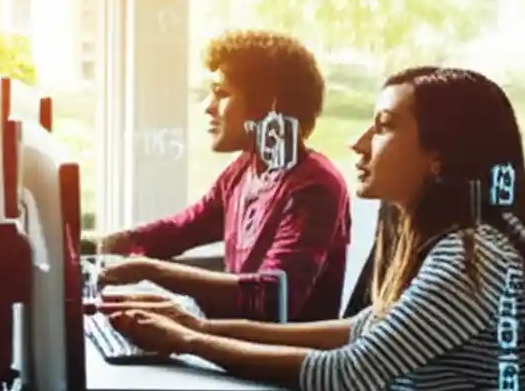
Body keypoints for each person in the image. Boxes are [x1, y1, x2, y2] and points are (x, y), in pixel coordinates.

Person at [103, 67, 525, 391]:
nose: (358, 142)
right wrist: (195, 324)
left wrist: (188, 342)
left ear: (438, 158)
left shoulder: (473, 257)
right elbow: (360, 330)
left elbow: (341, 378)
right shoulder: (447, 237)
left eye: (384, 126)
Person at [96, 30, 350, 321]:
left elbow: (271, 301)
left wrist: (149, 271)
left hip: (279, 363)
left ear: (270, 105)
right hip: (236, 349)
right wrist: (97, 245)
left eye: (221, 93)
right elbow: (182, 229)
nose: (208, 106)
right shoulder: (244, 170)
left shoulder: (314, 186)